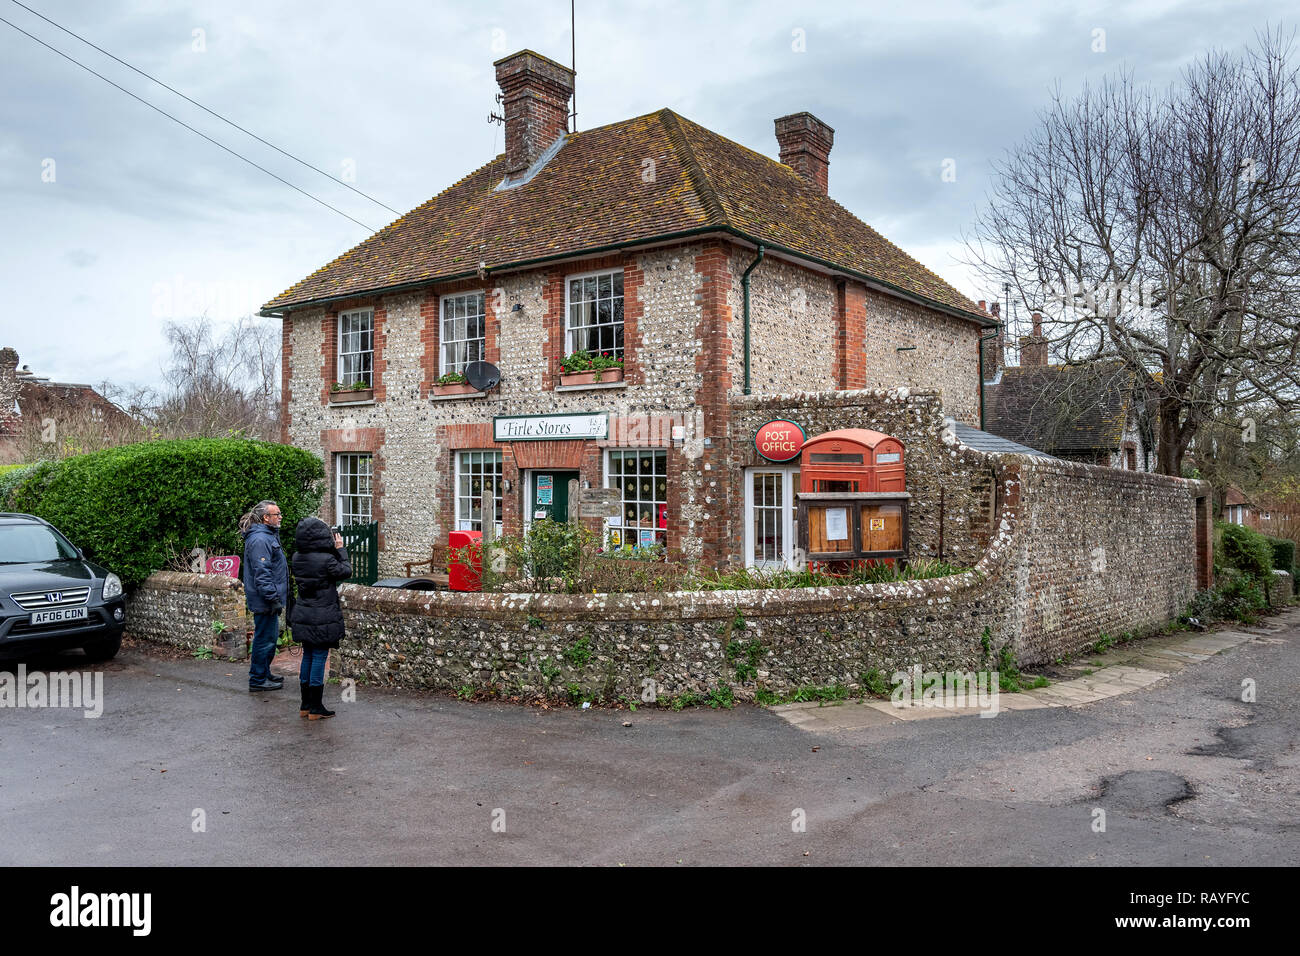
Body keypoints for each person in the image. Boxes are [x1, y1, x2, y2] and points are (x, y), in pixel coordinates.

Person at [288, 517, 351, 719]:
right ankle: (316, 707)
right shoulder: (327, 560)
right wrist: (340, 549)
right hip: (323, 615)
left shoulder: (297, 557)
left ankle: (305, 704)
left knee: (308, 655)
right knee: (319, 656)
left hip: (304, 612)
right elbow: (346, 571)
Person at [239, 500, 288, 692]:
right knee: (264, 639)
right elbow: (262, 572)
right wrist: (272, 598)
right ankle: (258, 679)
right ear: (266, 518)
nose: (280, 517)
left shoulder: (267, 536)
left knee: (269, 638)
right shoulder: (260, 539)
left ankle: (264, 673)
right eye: (277, 514)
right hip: (264, 599)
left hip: (267, 598)